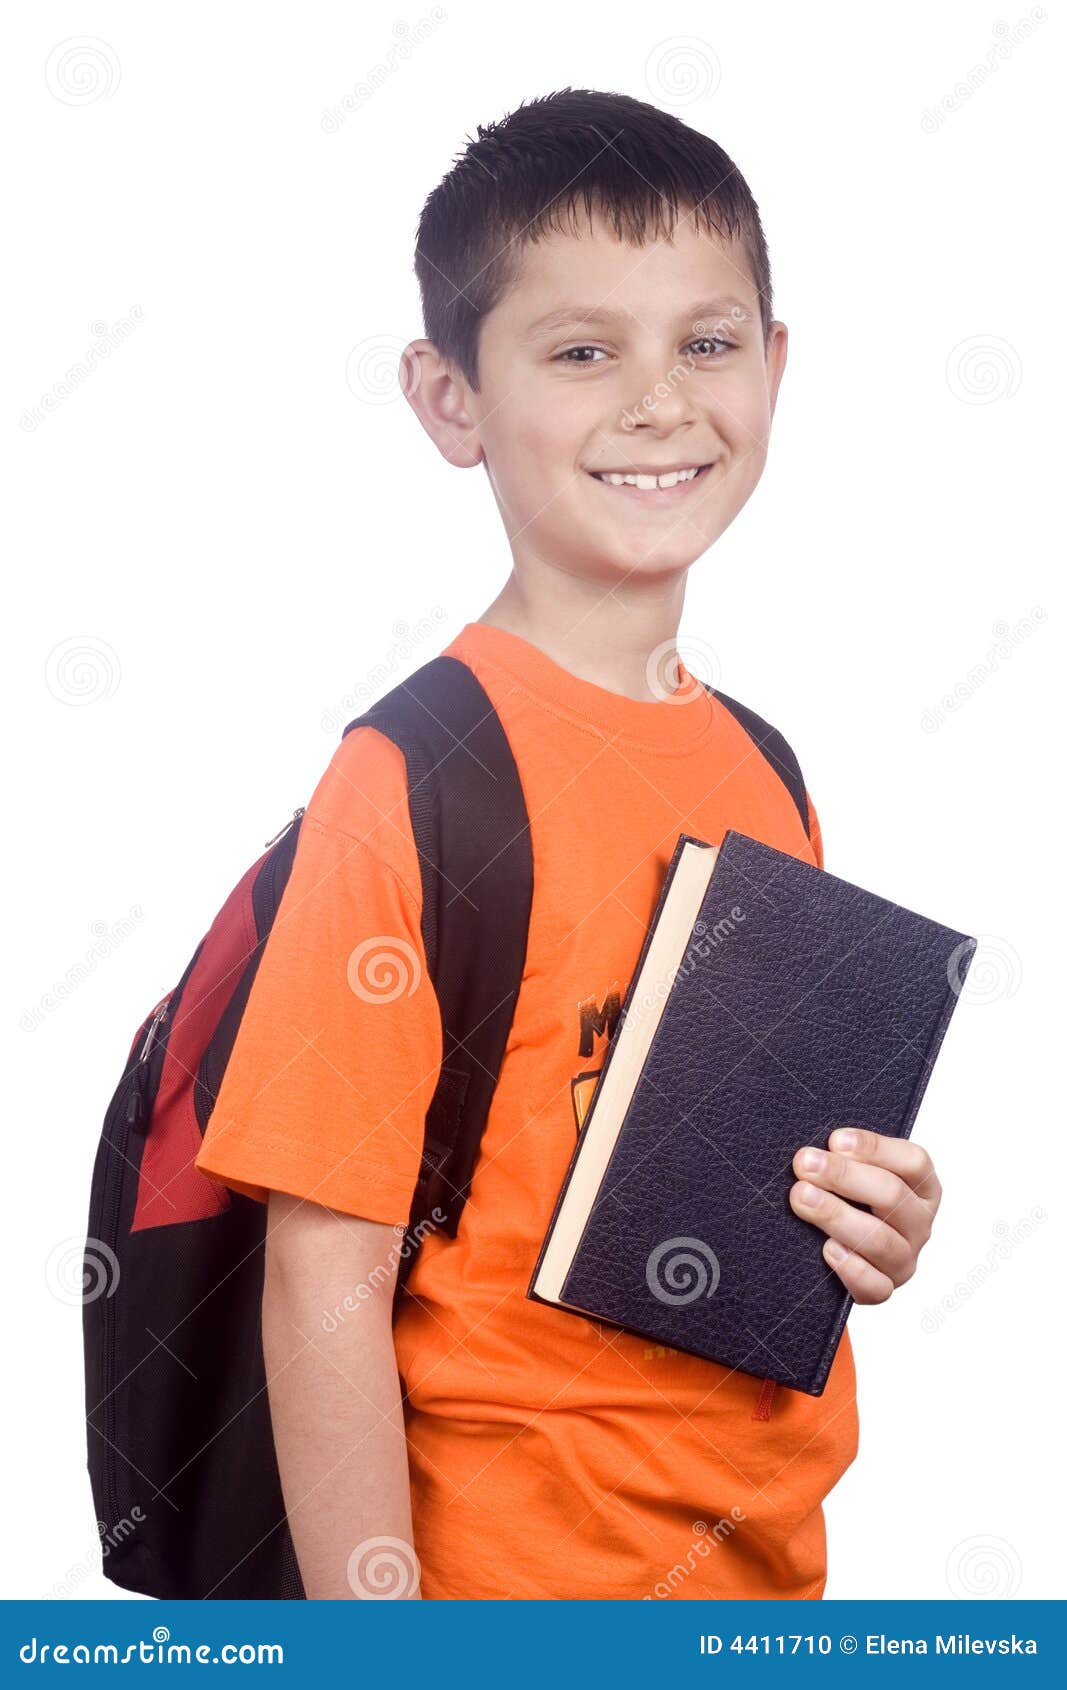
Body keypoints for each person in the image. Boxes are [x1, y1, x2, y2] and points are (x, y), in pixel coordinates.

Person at [195, 89, 943, 1601]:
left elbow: (737, 1197)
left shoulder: (767, 770)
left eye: (709, 343)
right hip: (511, 1596)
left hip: (762, 1587)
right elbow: (319, 1274)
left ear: (776, 369)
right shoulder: (414, 777)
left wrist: (869, 1215)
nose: (661, 402)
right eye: (584, 349)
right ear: (451, 398)